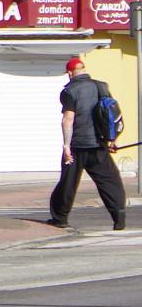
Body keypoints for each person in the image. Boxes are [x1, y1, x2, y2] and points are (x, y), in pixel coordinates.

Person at [47, 56, 127, 230]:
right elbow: (110, 115)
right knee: (109, 181)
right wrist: (112, 140)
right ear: (84, 70)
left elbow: (68, 119)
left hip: (77, 145)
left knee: (68, 182)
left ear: (69, 73)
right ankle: (118, 215)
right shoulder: (102, 86)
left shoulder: (69, 91)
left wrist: (66, 146)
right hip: (99, 144)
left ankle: (60, 218)